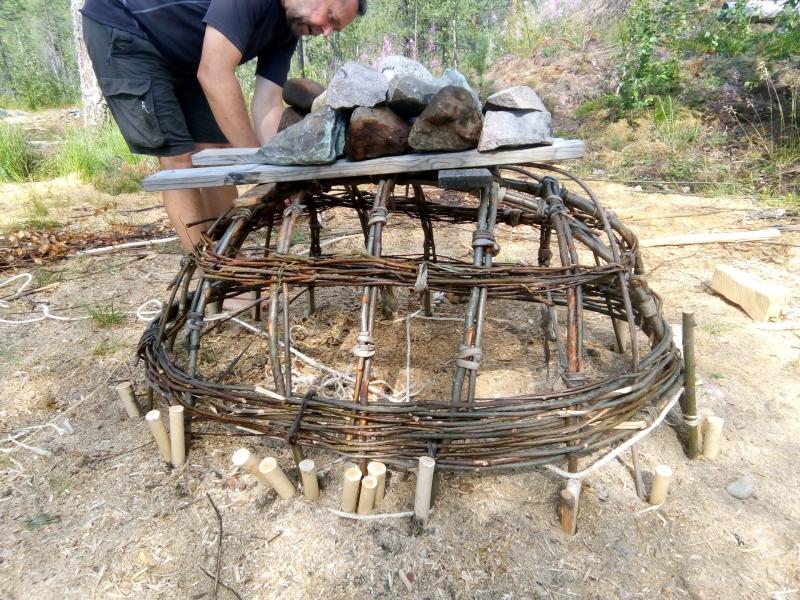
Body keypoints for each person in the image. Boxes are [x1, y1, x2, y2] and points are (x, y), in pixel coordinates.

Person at [80, 0, 366, 250]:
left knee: (216, 151)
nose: (326, 32)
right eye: (330, 18)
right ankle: (208, 273)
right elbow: (215, 73)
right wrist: (259, 166)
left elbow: (268, 100)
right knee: (178, 158)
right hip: (126, 27)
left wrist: (276, 166)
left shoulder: (288, 27)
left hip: (186, 54)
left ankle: (226, 256)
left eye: (334, 29)